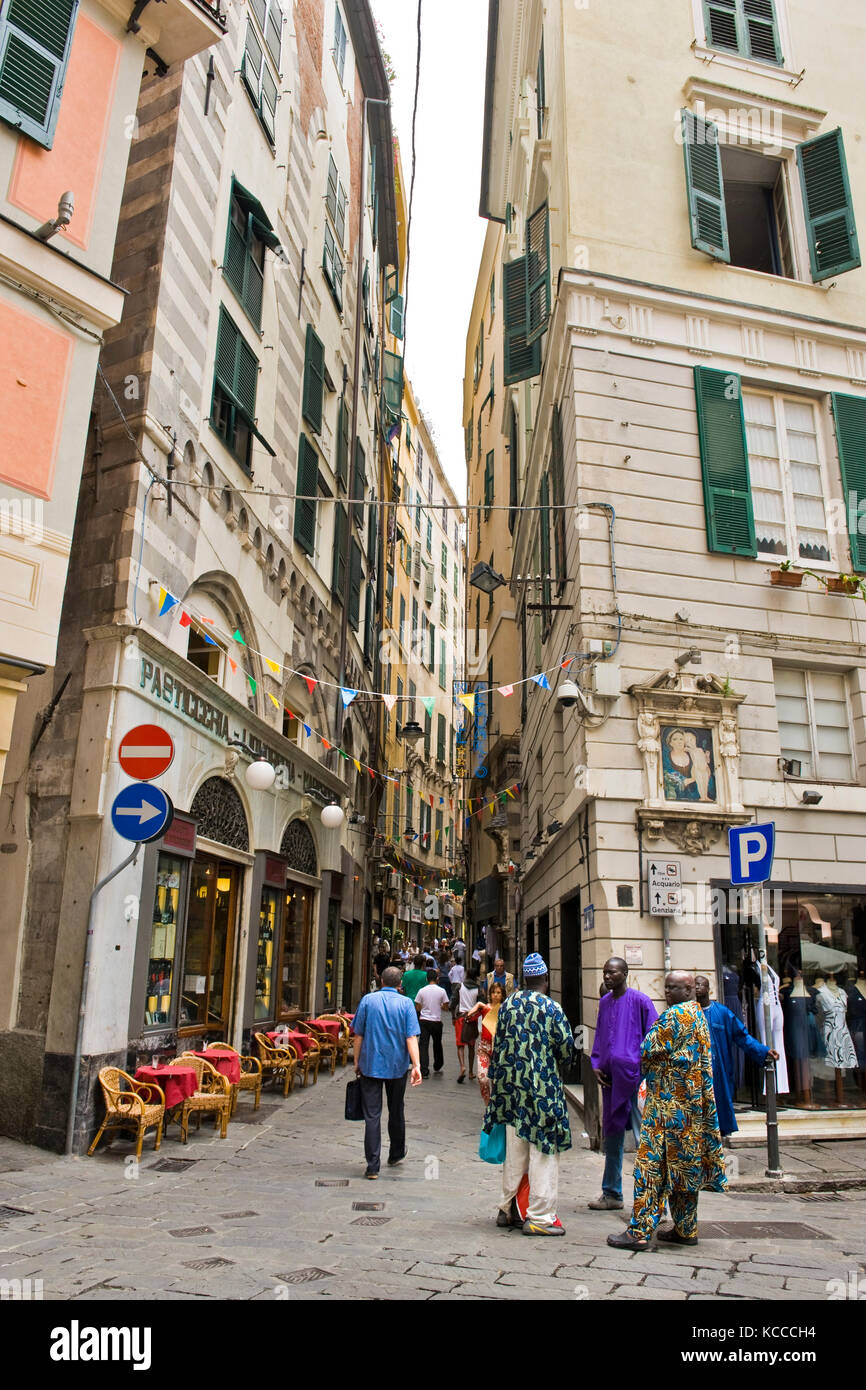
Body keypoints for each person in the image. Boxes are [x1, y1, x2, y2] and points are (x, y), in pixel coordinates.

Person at [608, 971, 726, 1251]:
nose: (668, 992)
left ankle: (639, 1231)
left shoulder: (674, 1017)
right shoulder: (698, 1015)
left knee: (650, 1168)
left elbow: (648, 1049)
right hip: (693, 1110)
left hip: (667, 1109)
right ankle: (686, 1229)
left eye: (674, 988)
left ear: (689, 990)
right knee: (684, 1169)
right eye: (667, 987)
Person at [484, 954, 576, 1236]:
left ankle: (508, 1208)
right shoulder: (552, 1008)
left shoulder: (509, 1004)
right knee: (543, 1152)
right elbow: (566, 1050)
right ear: (545, 980)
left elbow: (497, 1045)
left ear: (524, 979)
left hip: (510, 1092)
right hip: (542, 1093)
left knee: (515, 1151)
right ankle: (539, 1216)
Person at [588, 957, 657, 1211]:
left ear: (625, 973)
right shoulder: (605, 1002)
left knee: (643, 1137)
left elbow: (653, 1036)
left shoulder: (641, 1001)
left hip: (636, 1079)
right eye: (605, 972)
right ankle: (612, 1193)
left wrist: (642, 1067)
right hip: (610, 1080)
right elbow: (601, 1036)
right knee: (613, 1134)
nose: (607, 976)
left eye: (612, 972)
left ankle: (651, 1199)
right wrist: (596, 1064)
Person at [352, 966, 422, 1179]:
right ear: (400, 984)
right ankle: (396, 1153)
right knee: (396, 1108)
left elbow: (358, 1035)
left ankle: (373, 1166)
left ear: (381, 981)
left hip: (371, 1063)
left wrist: (357, 1061)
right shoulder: (406, 1004)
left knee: (372, 1115)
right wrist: (416, 1064)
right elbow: (411, 1037)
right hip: (397, 1066)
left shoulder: (367, 1001)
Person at [695, 974, 777, 1137]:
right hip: (695, 1074)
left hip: (719, 1072)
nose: (697, 987)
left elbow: (742, 1036)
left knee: (719, 1111)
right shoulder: (687, 1013)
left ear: (708, 989)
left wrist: (763, 1050)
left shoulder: (722, 1013)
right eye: (694, 985)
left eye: (701, 984)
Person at [466, 980, 505, 1104]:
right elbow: (469, 1017)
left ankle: (495, 1108)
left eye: (498, 992)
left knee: (496, 1082)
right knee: (483, 1078)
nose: (495, 995)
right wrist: (477, 1005)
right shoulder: (485, 1008)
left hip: (499, 1049)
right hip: (484, 1047)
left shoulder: (505, 1010)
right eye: (493, 992)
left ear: (502, 994)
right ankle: (488, 1105)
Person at [414, 968, 451, 1077]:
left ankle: (424, 1070)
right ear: (437, 979)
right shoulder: (442, 991)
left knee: (423, 1045)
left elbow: (417, 1007)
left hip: (424, 1021)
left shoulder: (422, 990)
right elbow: (445, 1007)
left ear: (427, 979)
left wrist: (423, 1008)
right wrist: (440, 1006)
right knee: (437, 1043)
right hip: (436, 1021)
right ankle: (438, 1064)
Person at [455, 971, 480, 1083]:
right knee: (471, 1046)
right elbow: (482, 1002)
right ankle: (470, 1072)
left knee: (460, 1045)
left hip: (461, 1017)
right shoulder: (478, 988)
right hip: (472, 1019)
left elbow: (453, 1001)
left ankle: (462, 1067)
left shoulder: (460, 986)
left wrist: (452, 1015)